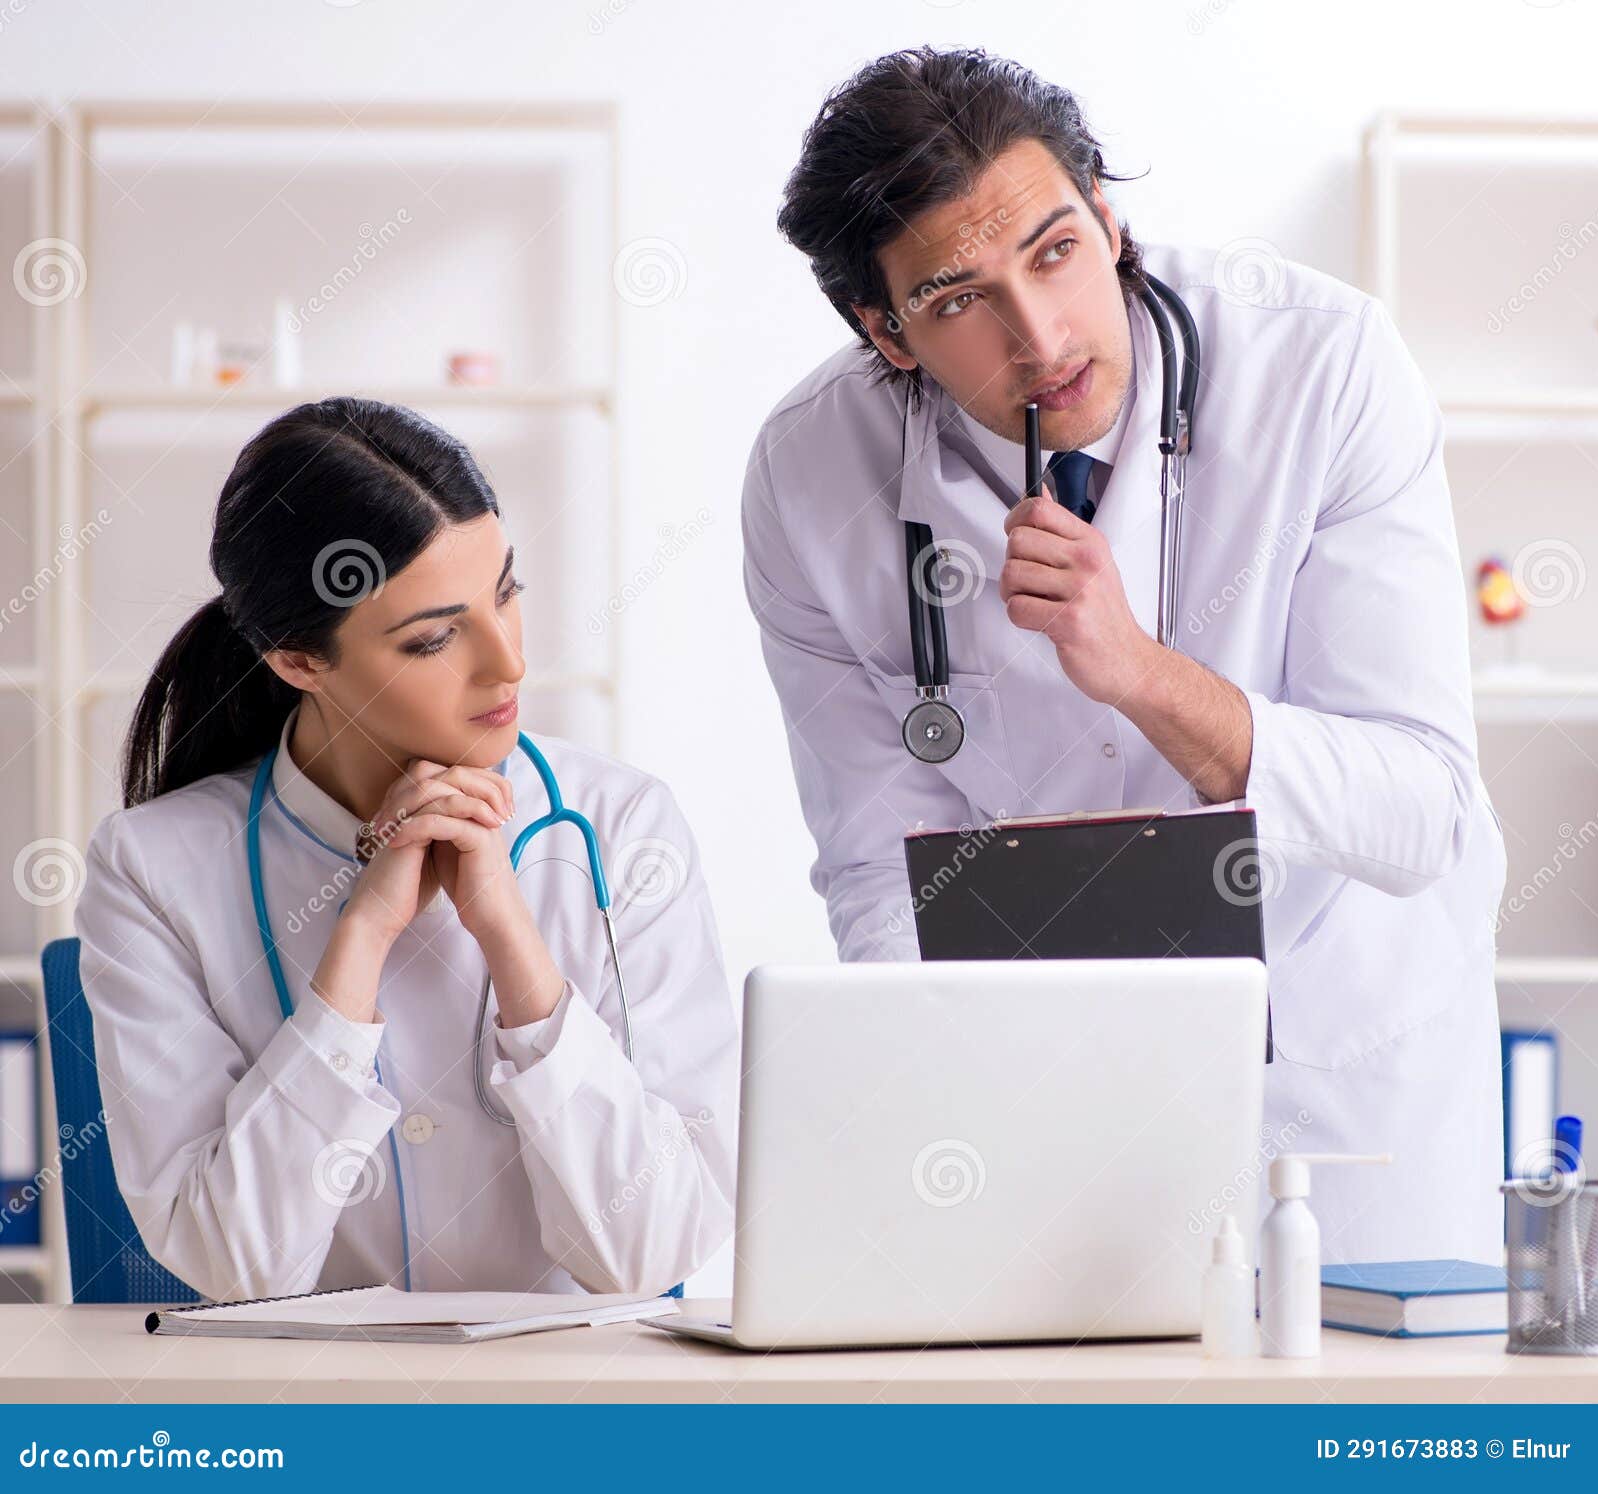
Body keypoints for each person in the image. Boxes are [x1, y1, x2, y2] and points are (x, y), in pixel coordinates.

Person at [742, 48, 1507, 1264]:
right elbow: (883, 871)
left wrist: (1143, 673)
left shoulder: (1324, 367)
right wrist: (945, 1106)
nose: (1039, 338)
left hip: (1340, 1083)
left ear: (1109, 218)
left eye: (1054, 252)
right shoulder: (809, 477)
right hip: (1034, 1102)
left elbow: (1422, 815)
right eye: (956, 300)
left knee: (1341, 1441)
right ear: (883, 332)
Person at [75, 397, 737, 1302]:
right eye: (434, 638)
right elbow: (234, 1264)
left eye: (506, 593)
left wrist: (514, 946)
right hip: (310, 1423)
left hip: (574, 1416)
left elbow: (653, 1253)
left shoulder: (622, 828)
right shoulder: (152, 870)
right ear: (298, 661)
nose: (506, 663)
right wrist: (362, 939)